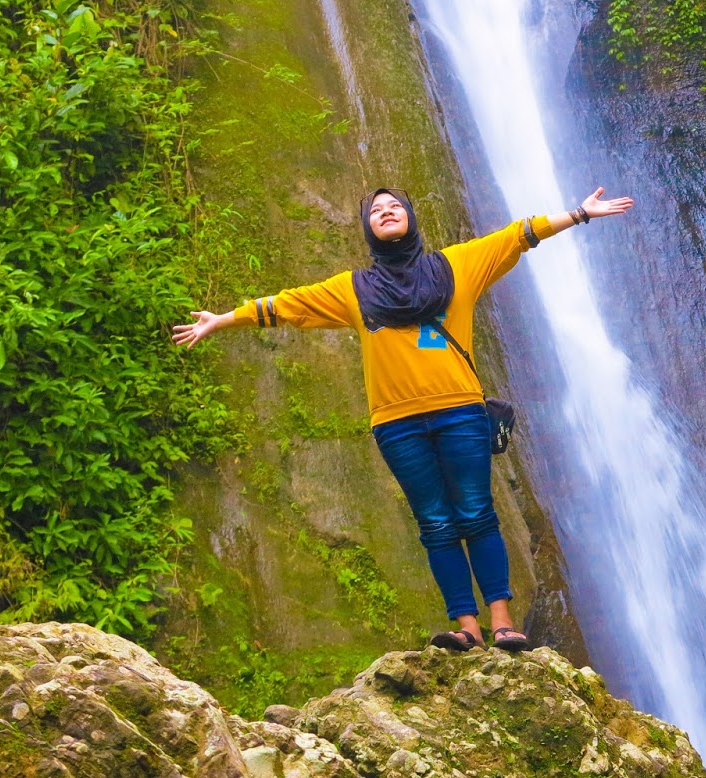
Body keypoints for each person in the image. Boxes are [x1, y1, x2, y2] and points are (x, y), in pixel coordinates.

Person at [173, 186, 634, 651]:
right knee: (435, 522)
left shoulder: (457, 266)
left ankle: (503, 622)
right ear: (368, 228)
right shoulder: (353, 290)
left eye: (395, 205)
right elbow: (286, 306)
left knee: (476, 513)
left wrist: (580, 213)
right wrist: (223, 319)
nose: (386, 211)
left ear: (411, 217)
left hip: (459, 412)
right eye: (376, 209)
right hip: (398, 424)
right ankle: (466, 627)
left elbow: (519, 235)